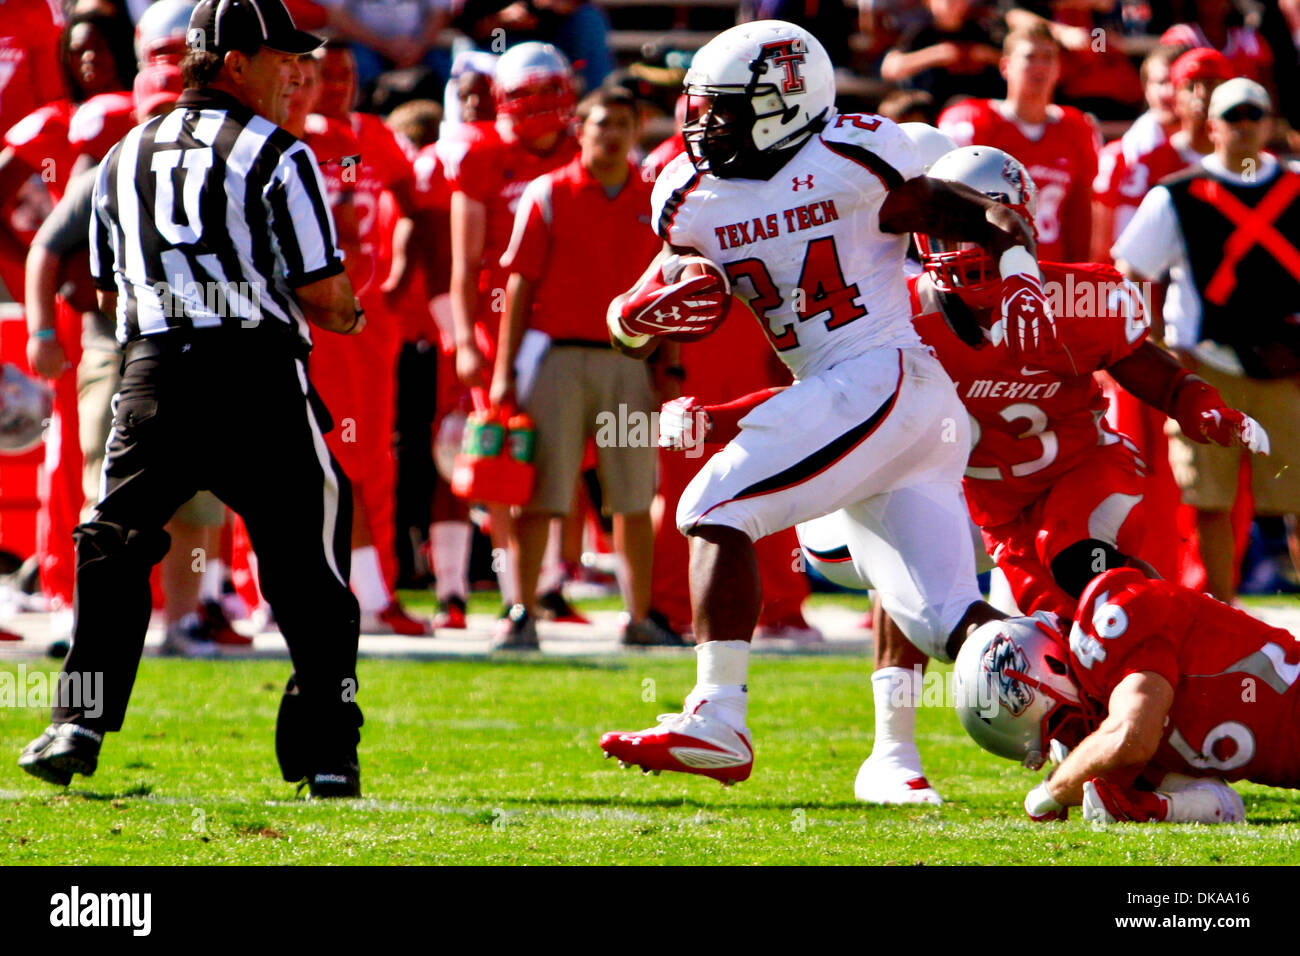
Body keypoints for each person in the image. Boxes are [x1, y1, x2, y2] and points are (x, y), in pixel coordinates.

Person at [597, 20, 1046, 787]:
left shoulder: (854, 157)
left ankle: (719, 715)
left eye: (724, 109)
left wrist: (1022, 275)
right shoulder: (687, 195)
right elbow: (637, 320)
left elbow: (983, 214)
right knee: (951, 625)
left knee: (715, 504)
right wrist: (631, 317)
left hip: (880, 374)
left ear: (784, 104)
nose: (702, 124)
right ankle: (1108, 723)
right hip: (884, 405)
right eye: (699, 106)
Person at [17, 0, 365, 798]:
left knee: (111, 545)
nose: (300, 71)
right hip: (256, 376)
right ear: (236, 64)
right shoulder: (280, 152)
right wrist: (349, 308)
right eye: (284, 58)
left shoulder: (123, 152)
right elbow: (325, 292)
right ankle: (326, 749)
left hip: (150, 376)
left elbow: (103, 282)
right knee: (308, 567)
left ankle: (78, 719)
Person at [488, 86, 670, 648]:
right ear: (581, 129)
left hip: (629, 360)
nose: (611, 134)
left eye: (622, 124)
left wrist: (673, 368)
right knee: (542, 493)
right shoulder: (550, 191)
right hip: (557, 360)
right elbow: (518, 286)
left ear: (636, 131)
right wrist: (503, 371)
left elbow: (675, 291)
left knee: (634, 497)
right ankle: (521, 611)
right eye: (601, 124)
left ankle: (638, 617)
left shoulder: (657, 197)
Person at [1114, 78, 1300, 604]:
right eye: (1232, 115)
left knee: (1298, 499)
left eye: (1253, 114)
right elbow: (1130, 271)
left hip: (1288, 367)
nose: (1243, 125)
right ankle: (1224, 611)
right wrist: (1158, 347)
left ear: (1268, 122)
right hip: (1207, 365)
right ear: (1211, 123)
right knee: (1209, 500)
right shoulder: (1175, 194)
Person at [954, 568, 1299, 823]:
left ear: (1043, 676)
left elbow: (1128, 739)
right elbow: (1222, 804)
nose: (1069, 741)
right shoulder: (1110, 710)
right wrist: (1154, 808)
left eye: (1058, 727)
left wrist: (1050, 792)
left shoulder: (1111, 621)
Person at [938, 21, 1101, 264]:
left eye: (1048, 57)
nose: (1040, 66)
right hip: (988, 272)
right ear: (1006, 66)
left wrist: (1076, 273)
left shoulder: (1077, 127)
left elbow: (1080, 216)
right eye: (1030, 57)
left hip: (1048, 272)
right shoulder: (973, 122)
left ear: (1059, 68)